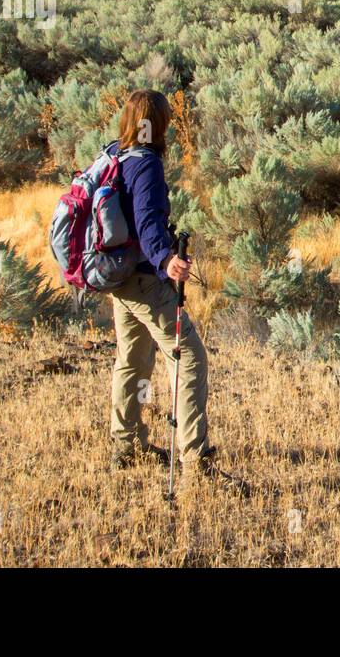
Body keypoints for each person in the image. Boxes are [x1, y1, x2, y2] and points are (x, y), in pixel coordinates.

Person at [105, 89, 213, 473]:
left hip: (119, 277)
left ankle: (127, 443)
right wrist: (166, 259)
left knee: (133, 360)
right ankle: (195, 461)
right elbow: (148, 219)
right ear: (157, 123)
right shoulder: (147, 163)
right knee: (189, 357)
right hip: (145, 281)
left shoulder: (116, 155)